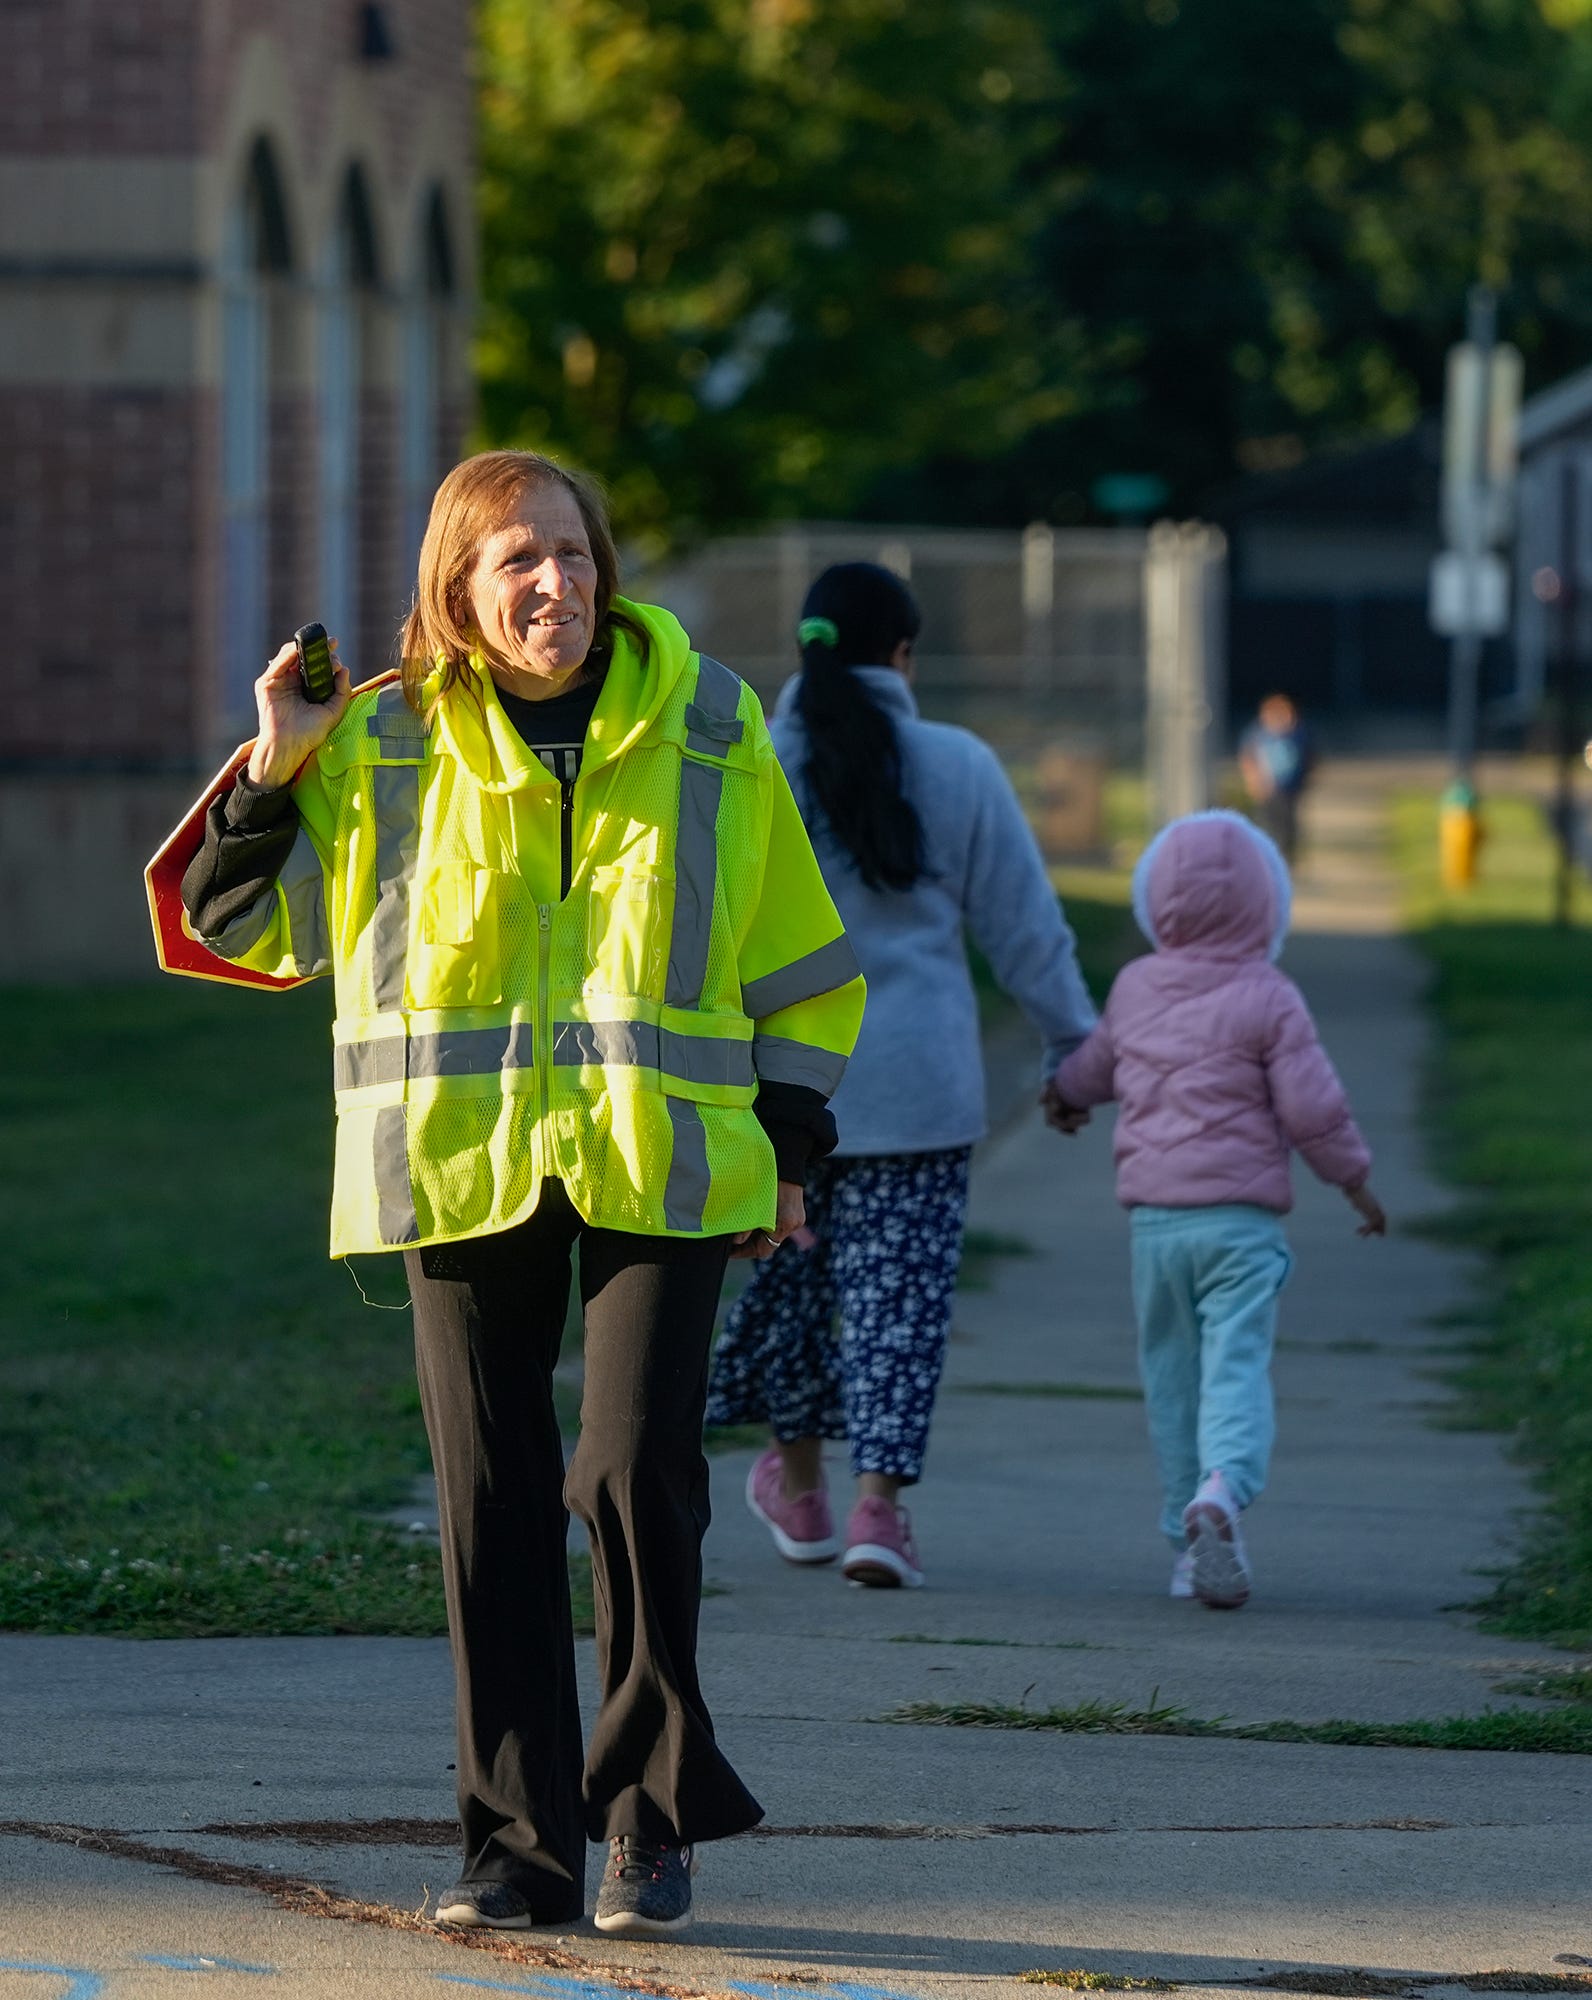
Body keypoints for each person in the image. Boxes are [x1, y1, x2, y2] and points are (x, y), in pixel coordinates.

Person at [175, 449, 865, 1938]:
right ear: (460, 588)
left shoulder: (713, 722)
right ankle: (517, 1848)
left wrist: (791, 1146)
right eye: (517, 561)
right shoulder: (380, 740)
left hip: (662, 1158)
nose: (554, 584)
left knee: (631, 1476)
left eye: (574, 553)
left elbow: (796, 953)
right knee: (488, 1499)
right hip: (460, 1159)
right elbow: (244, 931)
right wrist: (279, 762)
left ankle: (646, 1819)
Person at [706, 561, 1098, 1589]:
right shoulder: (958, 763)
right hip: (920, 1089)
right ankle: (878, 1512)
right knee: (900, 1303)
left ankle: (799, 1489)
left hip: (779, 1085)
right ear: (904, 654)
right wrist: (1074, 1051)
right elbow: (1022, 927)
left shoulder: (751, 759)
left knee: (788, 1288)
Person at [1043, 809, 1386, 1610]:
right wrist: (1354, 1183)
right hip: (1242, 1225)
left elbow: (1094, 1066)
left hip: (1157, 1228)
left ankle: (1181, 1541)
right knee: (1235, 1368)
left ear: (1151, 901)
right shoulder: (1270, 994)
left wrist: (1059, 1097)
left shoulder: (1134, 986)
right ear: (1271, 905)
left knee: (1171, 1378)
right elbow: (1313, 1109)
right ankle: (1223, 1491)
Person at [1238, 692, 1315, 866]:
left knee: (1288, 823)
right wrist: (1253, 781)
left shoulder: (1299, 734)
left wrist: (1307, 779)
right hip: (1267, 787)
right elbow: (1248, 758)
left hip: (1290, 788)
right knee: (1267, 823)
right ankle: (1267, 856)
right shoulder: (1257, 734)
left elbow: (1309, 757)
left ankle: (1287, 857)